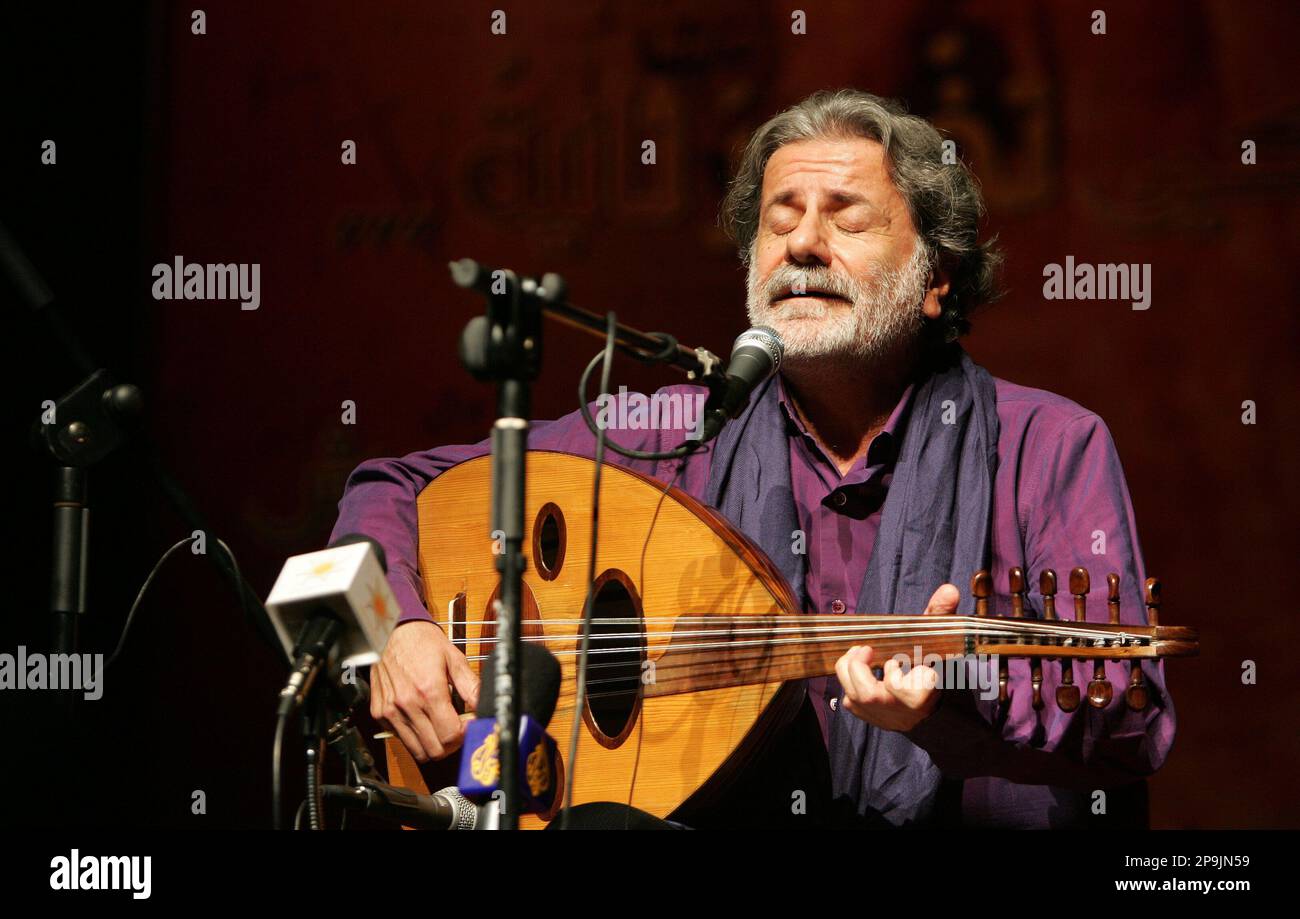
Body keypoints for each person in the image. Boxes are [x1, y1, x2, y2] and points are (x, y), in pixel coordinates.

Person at [331, 89, 1175, 828]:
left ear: (936, 281)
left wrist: (948, 716)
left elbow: (1134, 730)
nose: (802, 245)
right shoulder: (667, 435)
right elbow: (390, 487)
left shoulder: (1049, 446)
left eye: (846, 217)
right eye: (780, 220)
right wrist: (398, 624)